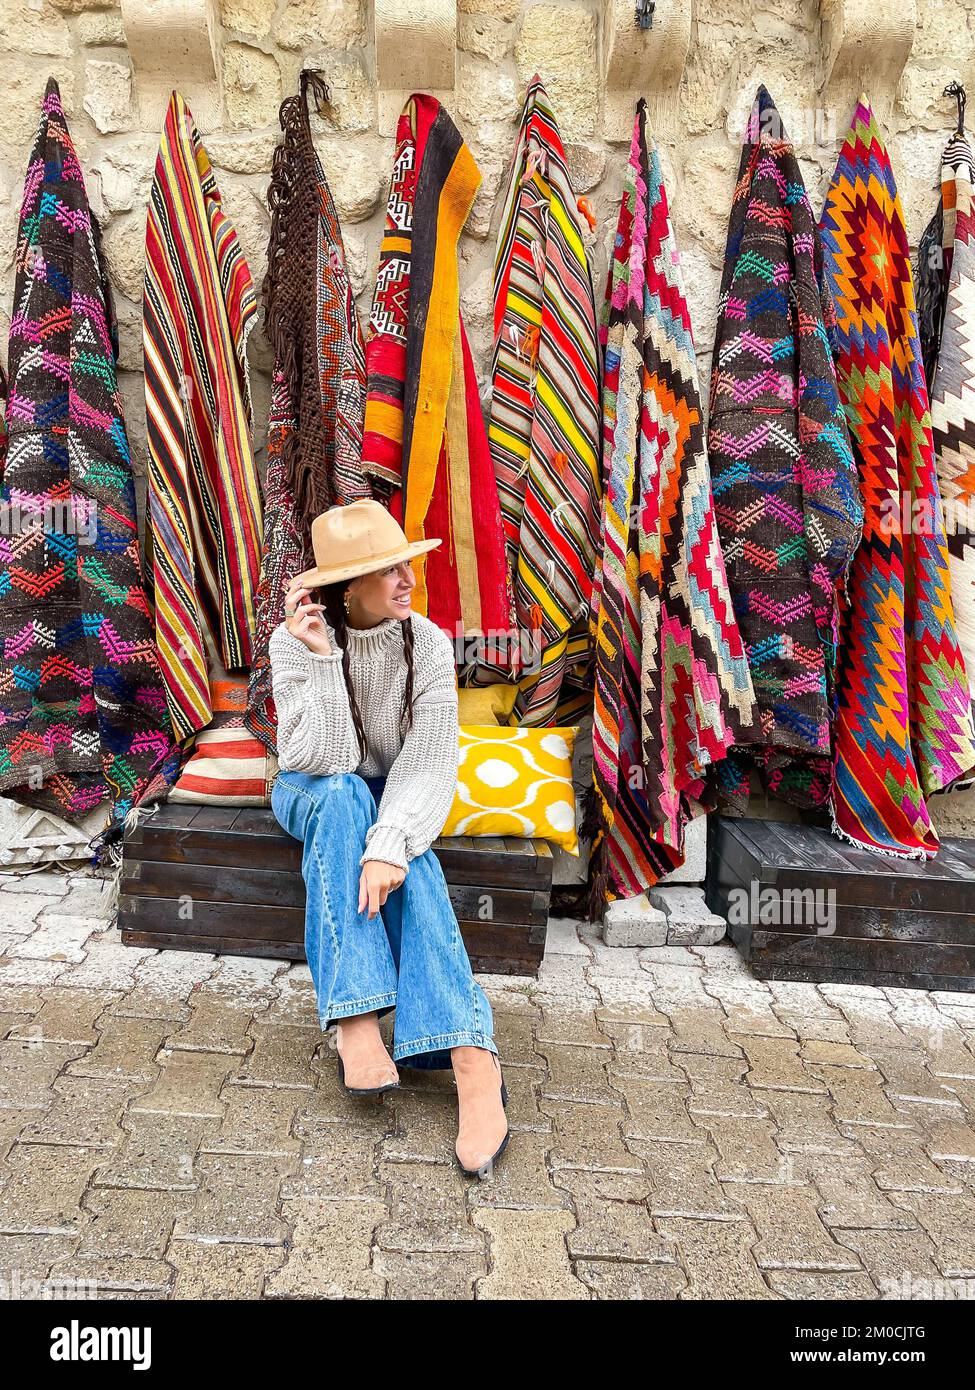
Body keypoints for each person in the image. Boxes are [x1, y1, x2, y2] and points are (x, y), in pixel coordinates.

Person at [268, 499, 509, 1177]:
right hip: (309, 787)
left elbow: (429, 761)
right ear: (346, 587)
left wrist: (388, 844)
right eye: (389, 571)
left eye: (407, 565)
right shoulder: (293, 641)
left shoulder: (426, 642)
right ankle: (359, 1019)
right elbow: (322, 759)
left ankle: (468, 1056)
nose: (408, 580)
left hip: (383, 795)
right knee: (346, 796)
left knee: (412, 858)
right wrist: (320, 660)